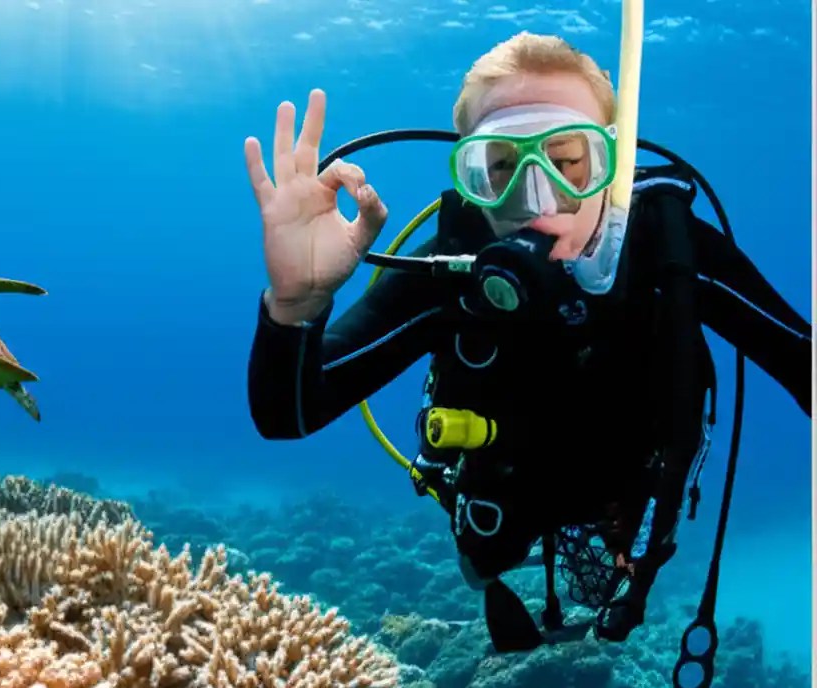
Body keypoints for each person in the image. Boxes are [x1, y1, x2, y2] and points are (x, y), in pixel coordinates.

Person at [243, 32, 813, 645]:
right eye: (500, 169)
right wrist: (297, 305)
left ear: (614, 169)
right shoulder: (452, 268)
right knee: (486, 556)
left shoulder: (670, 253)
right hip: (503, 494)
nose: (537, 200)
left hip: (628, 492)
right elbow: (288, 415)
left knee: (622, 543)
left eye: (569, 161)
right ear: (471, 182)